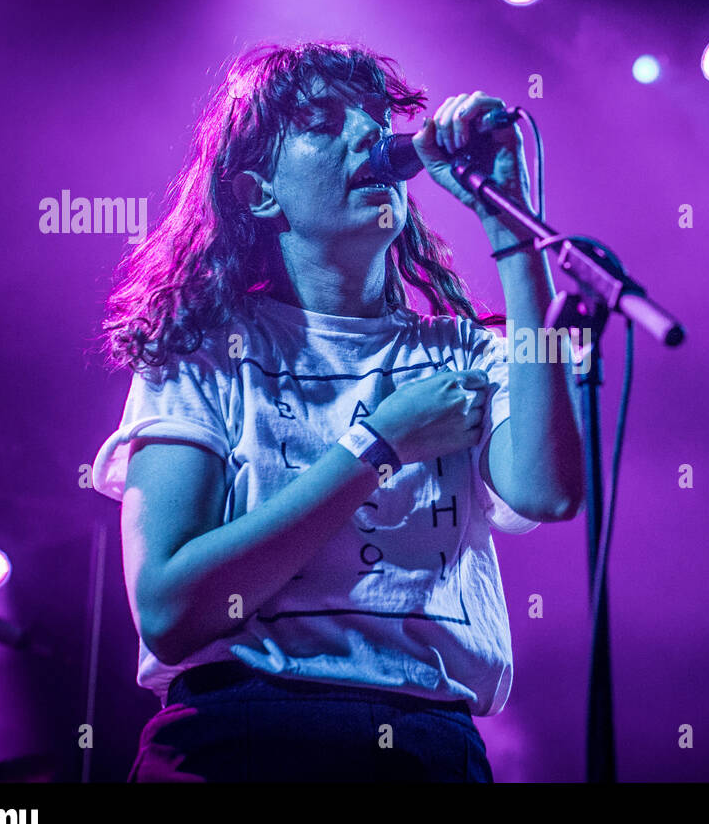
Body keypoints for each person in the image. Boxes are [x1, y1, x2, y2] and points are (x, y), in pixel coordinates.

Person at [90, 41, 584, 782]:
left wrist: (511, 225)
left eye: (376, 117)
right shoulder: (204, 350)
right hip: (235, 741)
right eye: (324, 123)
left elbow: (547, 490)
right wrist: (378, 446)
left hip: (426, 749)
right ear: (260, 192)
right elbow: (169, 607)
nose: (367, 134)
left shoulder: (466, 354)